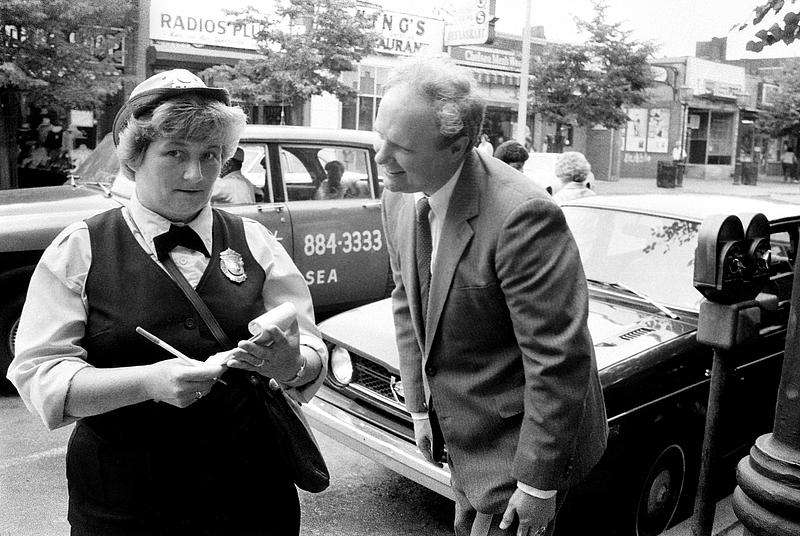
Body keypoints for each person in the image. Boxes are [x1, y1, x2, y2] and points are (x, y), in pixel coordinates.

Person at [7, 69, 327, 536]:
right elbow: (40, 377)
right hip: (126, 506)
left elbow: (311, 352)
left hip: (251, 497)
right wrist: (148, 382)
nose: (196, 174)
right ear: (135, 158)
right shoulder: (81, 247)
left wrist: (292, 363)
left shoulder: (255, 241)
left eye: (211, 156)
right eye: (174, 153)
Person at [375, 56, 607, 536]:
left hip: (519, 446)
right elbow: (406, 299)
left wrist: (538, 484)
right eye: (380, 136)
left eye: (400, 148)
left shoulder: (524, 216)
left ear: (457, 146)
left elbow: (558, 359)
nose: (380, 157)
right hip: (461, 436)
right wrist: (420, 406)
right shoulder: (399, 192)